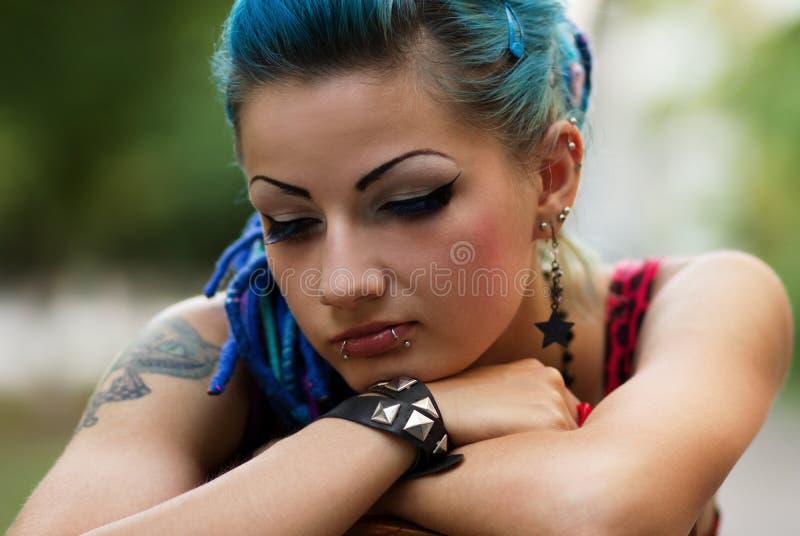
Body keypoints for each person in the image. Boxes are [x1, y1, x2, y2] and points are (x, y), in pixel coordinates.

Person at [9, 1, 793, 535]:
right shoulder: (216, 354)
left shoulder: (688, 306)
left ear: (552, 174)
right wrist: (391, 423)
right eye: (289, 222)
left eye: (412, 200)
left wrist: (285, 494)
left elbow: (603, 507)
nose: (343, 281)